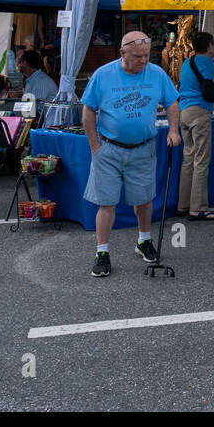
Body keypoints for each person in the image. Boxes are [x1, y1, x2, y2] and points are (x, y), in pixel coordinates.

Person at [80, 31, 181, 277]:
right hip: (109, 148)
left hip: (143, 147)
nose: (143, 61)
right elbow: (88, 111)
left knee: (144, 199)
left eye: (147, 55)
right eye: (137, 56)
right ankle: (102, 252)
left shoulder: (156, 73)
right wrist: (94, 146)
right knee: (107, 203)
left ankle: (143, 240)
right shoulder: (103, 75)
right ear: (122, 53)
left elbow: (172, 102)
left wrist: (174, 130)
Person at [176, 31, 214, 221]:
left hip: (183, 112)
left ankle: (183, 205)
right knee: (201, 160)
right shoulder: (206, 63)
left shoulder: (187, 62)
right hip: (199, 112)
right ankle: (198, 208)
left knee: (188, 159)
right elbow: (208, 89)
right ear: (209, 45)